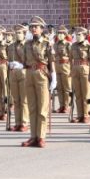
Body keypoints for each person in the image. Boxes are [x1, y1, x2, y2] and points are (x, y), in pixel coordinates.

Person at [22, 16, 52, 147]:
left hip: (41, 74)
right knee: (32, 107)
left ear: (41, 29)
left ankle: (41, 136)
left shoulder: (47, 44)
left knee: (42, 107)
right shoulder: (27, 44)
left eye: (36, 26)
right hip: (29, 73)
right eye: (32, 26)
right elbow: (24, 60)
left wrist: (54, 78)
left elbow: (52, 61)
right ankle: (33, 136)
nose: (34, 29)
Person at [8, 24, 29, 131]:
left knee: (24, 100)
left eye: (20, 33)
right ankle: (17, 122)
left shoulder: (28, 45)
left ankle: (24, 122)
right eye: (16, 33)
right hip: (13, 73)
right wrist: (9, 64)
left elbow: (30, 60)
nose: (17, 35)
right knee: (16, 100)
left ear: (24, 34)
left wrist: (21, 65)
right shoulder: (11, 46)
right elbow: (8, 58)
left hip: (24, 73)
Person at [69, 26, 90, 123]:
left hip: (85, 69)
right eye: (76, 35)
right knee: (78, 94)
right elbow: (70, 59)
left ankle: (86, 114)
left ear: (84, 35)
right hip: (75, 69)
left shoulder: (88, 46)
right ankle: (79, 115)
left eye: (79, 35)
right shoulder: (73, 46)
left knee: (86, 93)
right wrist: (71, 70)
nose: (77, 36)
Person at [52, 26, 73, 113]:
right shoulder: (55, 44)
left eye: (62, 33)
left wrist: (72, 69)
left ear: (65, 34)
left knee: (67, 87)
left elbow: (72, 57)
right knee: (59, 87)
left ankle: (67, 105)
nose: (60, 35)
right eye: (59, 33)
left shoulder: (68, 44)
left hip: (65, 66)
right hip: (57, 66)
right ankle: (61, 105)